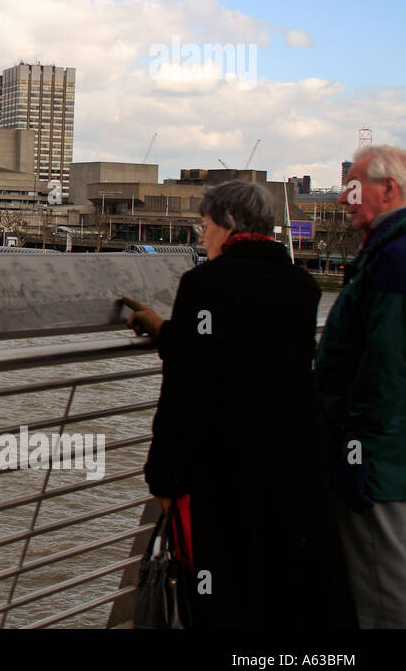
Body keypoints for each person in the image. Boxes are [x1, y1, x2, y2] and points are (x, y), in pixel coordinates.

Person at [122, 180, 350, 628]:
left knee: (223, 594)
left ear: (227, 225)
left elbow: (188, 388)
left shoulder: (204, 284)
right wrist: (168, 331)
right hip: (293, 469)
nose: (201, 238)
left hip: (226, 474)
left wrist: (163, 479)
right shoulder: (300, 287)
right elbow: (251, 355)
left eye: (204, 227)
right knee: (279, 593)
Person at [315, 144, 406, 628]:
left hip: (382, 473)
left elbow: (386, 373)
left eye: (354, 187)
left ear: (388, 189)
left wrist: (356, 456)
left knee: (382, 601)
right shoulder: (388, 252)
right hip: (387, 461)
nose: (344, 200)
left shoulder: (396, 260)